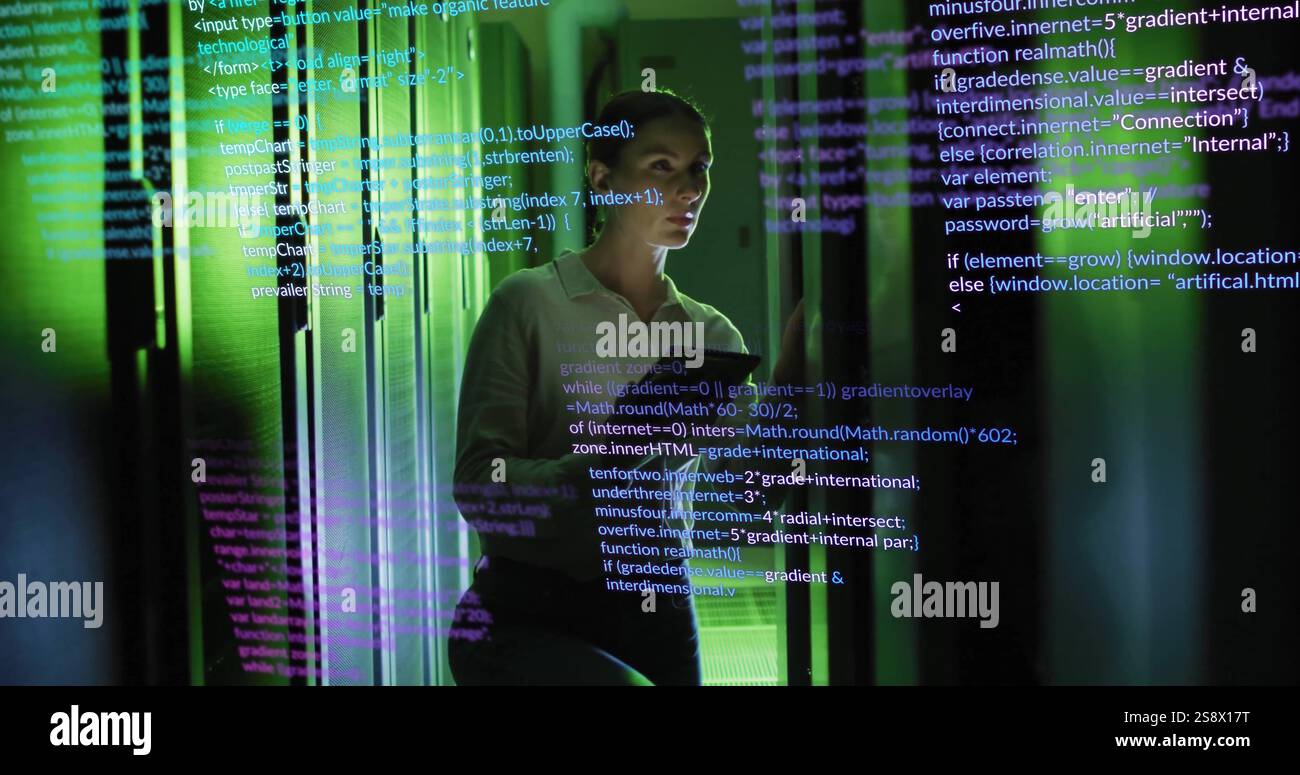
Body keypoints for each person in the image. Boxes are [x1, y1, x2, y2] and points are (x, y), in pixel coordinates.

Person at [449, 89, 804, 685]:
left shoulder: (711, 334)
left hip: (659, 609)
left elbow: (752, 498)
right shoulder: (529, 304)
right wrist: (606, 458)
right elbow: (479, 486)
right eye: (661, 166)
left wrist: (798, 377)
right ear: (602, 177)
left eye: (700, 168)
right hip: (524, 611)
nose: (689, 188)